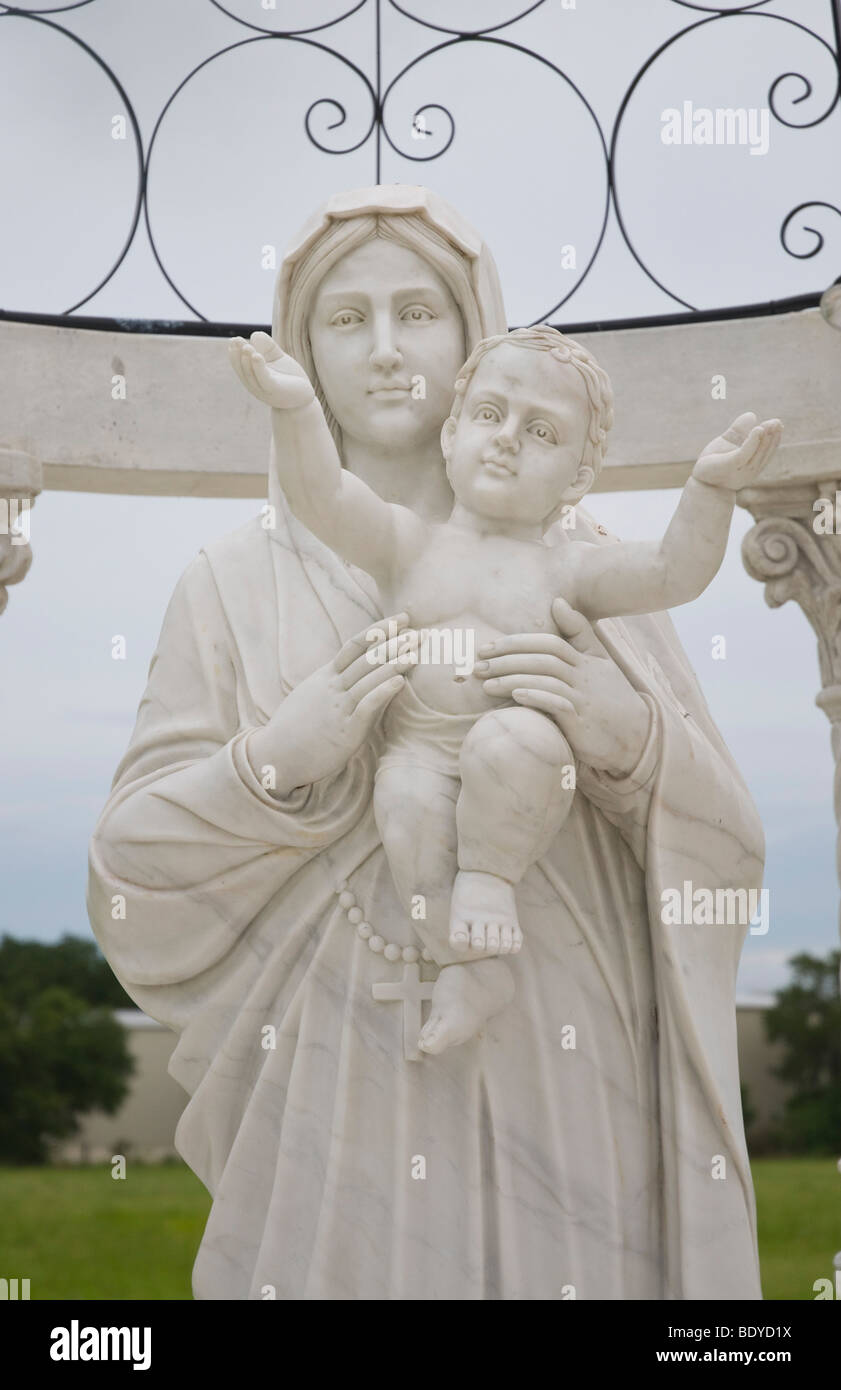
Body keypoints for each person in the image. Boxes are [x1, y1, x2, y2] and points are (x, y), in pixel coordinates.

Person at [88, 185, 765, 1300]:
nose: (387, 350)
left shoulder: (585, 565)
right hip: (332, 1063)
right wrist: (274, 764)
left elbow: (728, 844)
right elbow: (128, 867)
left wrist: (627, 735)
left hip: (564, 1035)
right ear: (301, 352)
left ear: (472, 341)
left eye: (420, 313)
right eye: (346, 321)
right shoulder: (230, 584)